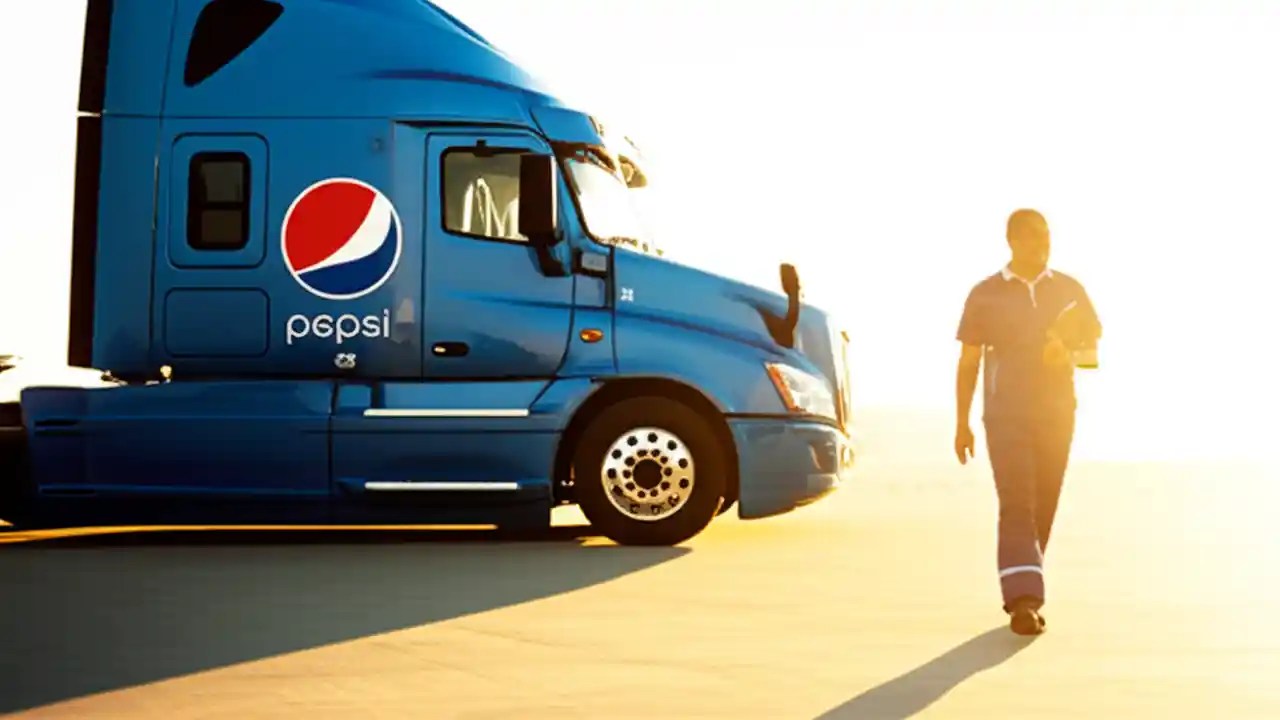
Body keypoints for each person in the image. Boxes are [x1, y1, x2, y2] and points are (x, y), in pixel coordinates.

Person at [953, 208, 1102, 636]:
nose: (1044, 245)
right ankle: (1024, 602)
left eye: (1047, 237)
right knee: (1017, 501)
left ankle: (1025, 576)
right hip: (1005, 415)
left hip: (1057, 414)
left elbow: (1091, 351)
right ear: (1013, 241)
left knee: (1044, 503)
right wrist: (962, 422)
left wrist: (1066, 353)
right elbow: (968, 362)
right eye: (1035, 238)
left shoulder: (1070, 290)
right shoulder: (985, 294)